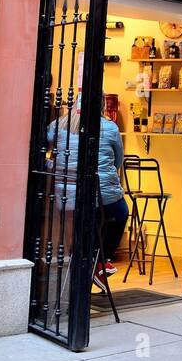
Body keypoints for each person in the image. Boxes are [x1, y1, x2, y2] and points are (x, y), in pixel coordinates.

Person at [50, 107, 128, 278]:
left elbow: (43, 147)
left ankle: (88, 261)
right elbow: (119, 160)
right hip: (100, 194)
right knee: (120, 212)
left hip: (65, 197)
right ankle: (100, 261)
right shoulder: (110, 127)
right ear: (102, 105)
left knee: (86, 218)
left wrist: (52, 165)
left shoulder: (58, 125)